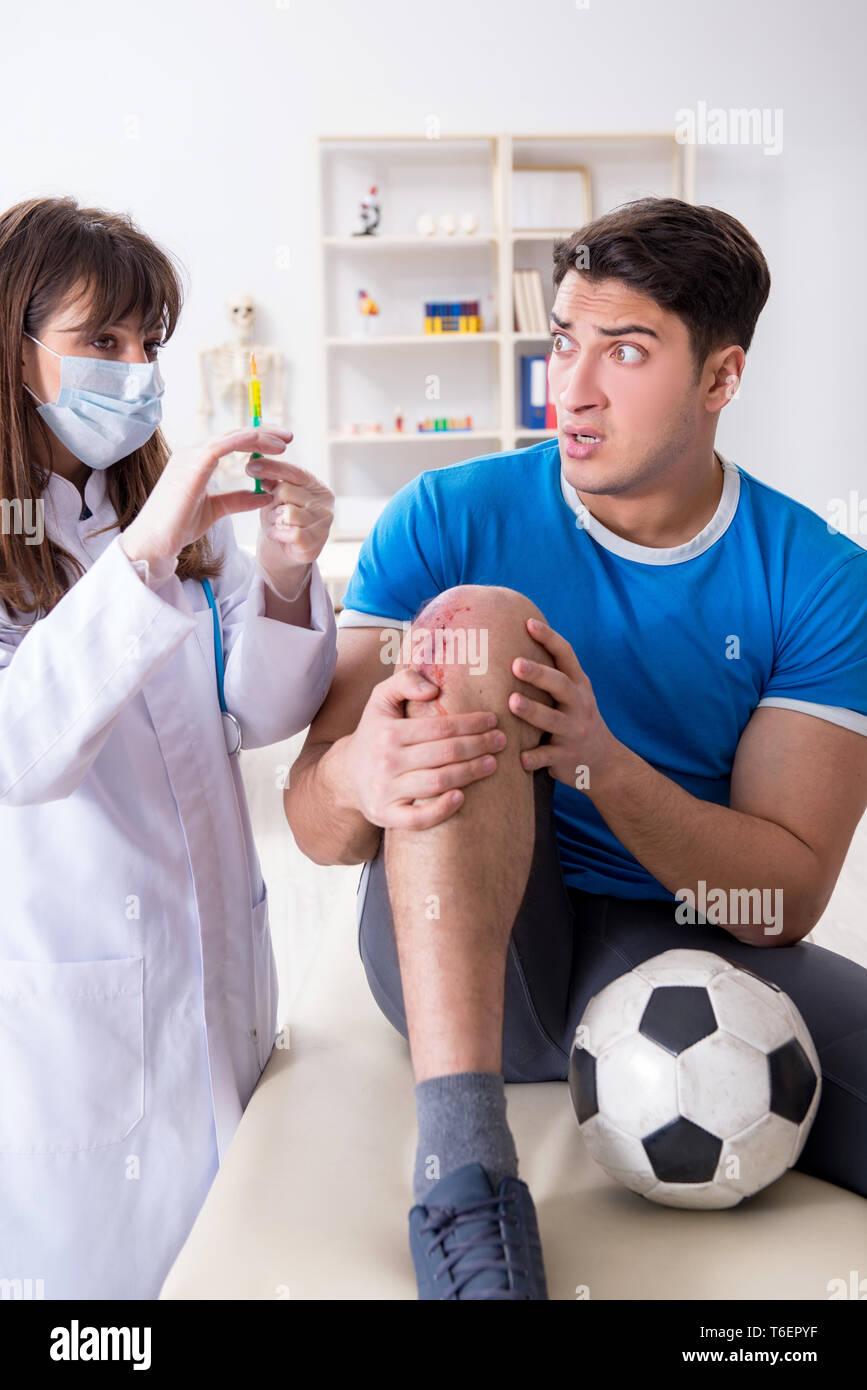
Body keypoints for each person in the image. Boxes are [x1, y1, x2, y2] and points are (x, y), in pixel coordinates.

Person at [286, 197, 867, 1301]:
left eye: (627, 350)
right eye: (564, 341)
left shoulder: (821, 577)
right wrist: (360, 771)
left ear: (720, 379)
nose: (575, 386)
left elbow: (780, 903)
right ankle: (462, 1176)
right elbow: (316, 823)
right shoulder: (444, 516)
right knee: (479, 618)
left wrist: (597, 758)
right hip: (463, 941)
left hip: (672, 928)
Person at [0, 196, 337, 1299]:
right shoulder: (139, 535)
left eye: (149, 343)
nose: (137, 372)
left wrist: (285, 572)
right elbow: (22, 750)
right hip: (71, 1011)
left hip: (211, 969)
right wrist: (141, 559)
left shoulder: (165, 519)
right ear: (14, 346)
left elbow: (251, 712)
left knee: (227, 1261)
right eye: (102, 342)